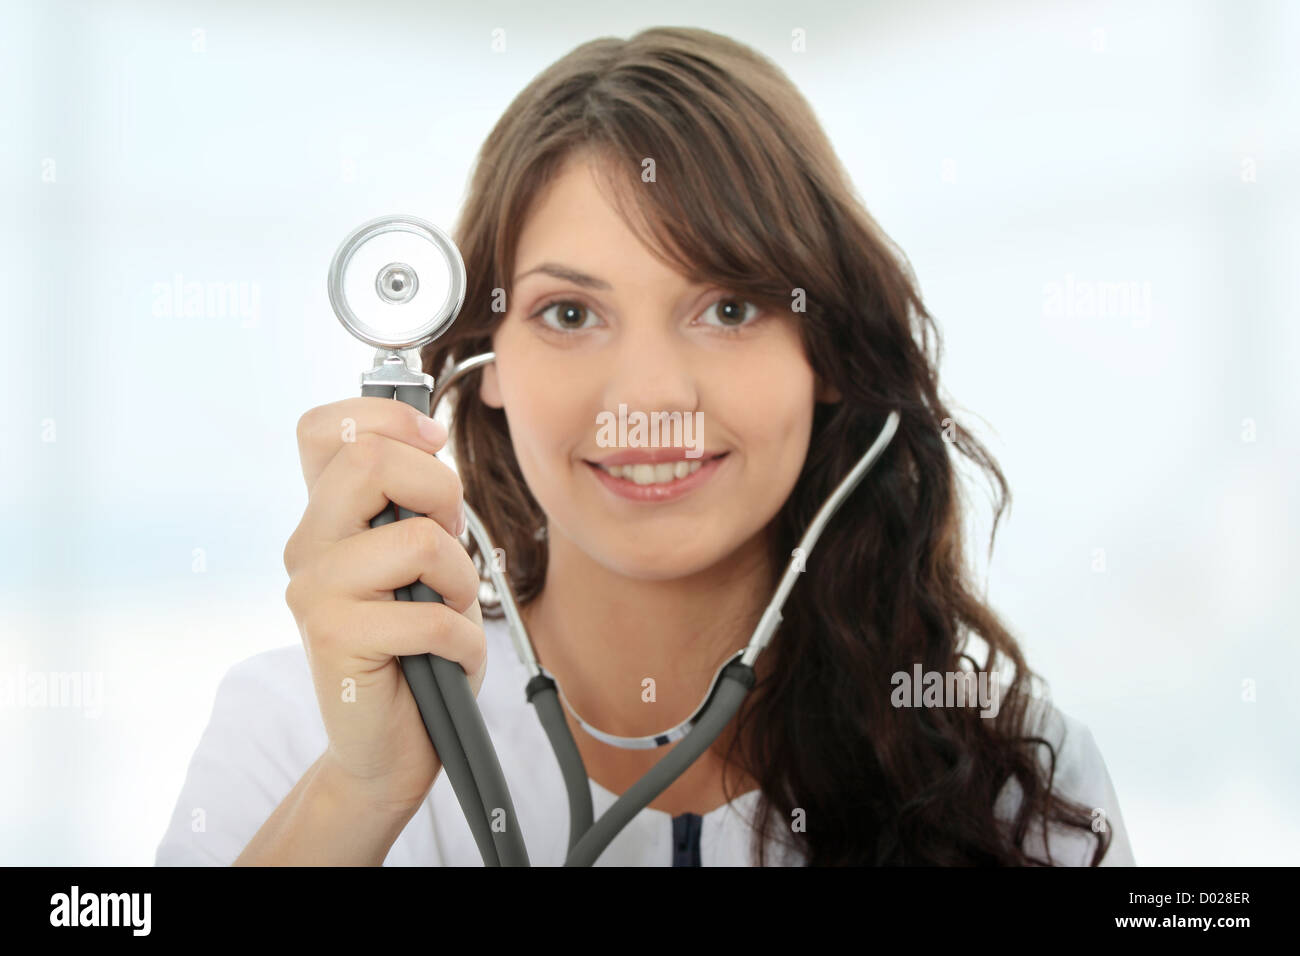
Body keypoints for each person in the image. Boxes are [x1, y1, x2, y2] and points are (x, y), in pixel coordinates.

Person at [156, 26, 1135, 866]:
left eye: (728, 305)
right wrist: (359, 792)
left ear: (825, 352)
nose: (649, 395)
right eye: (571, 310)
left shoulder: (1016, 780)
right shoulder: (294, 726)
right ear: (481, 364)